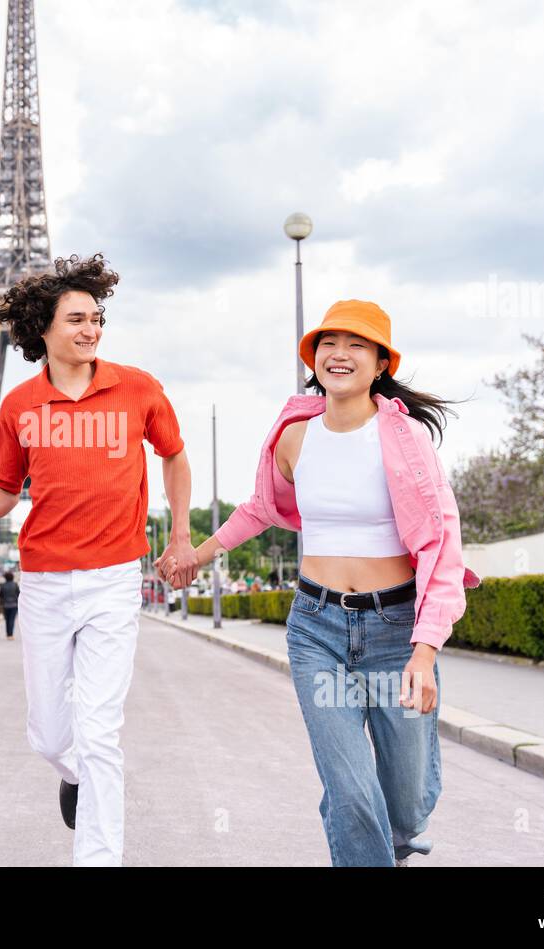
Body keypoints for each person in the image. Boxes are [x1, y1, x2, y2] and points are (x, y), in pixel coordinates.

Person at [164, 299, 481, 867]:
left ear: (381, 363)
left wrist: (425, 652)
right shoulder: (294, 436)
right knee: (351, 790)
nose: (341, 353)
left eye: (357, 344)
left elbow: (442, 546)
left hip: (396, 630)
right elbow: (259, 508)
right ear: (315, 359)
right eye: (329, 343)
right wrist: (198, 554)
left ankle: (393, 841)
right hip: (318, 630)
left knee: (405, 804)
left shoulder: (406, 443)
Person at [0, 253, 196, 866]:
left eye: (97, 318)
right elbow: (7, 488)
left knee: (99, 733)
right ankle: (73, 773)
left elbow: (174, 456)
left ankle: (98, 858)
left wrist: (179, 536)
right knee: (49, 734)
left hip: (114, 578)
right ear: (44, 327)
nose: (90, 329)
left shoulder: (138, 387)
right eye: (76, 319)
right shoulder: (17, 407)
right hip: (42, 580)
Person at [0, 571, 20, 639]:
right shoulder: (15, 584)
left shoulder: (2, 585)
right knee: (11, 620)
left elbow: (0, 595)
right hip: (14, 604)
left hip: (5, 605)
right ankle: (11, 635)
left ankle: (8, 634)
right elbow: (18, 594)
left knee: (7, 620)